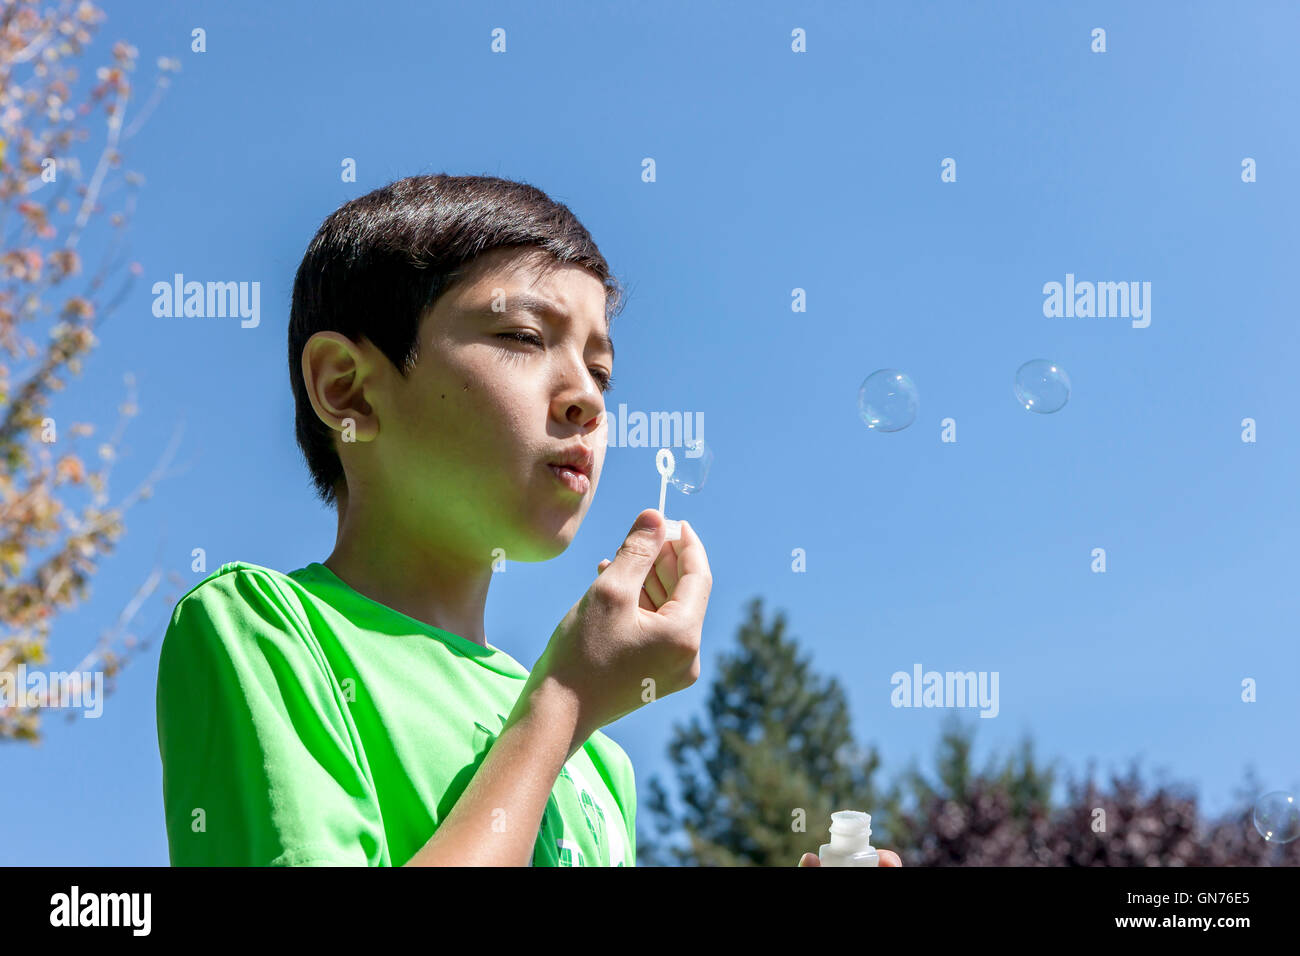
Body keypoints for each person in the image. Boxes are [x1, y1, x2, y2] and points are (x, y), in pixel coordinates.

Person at [155, 172, 899, 867]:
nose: (588, 398)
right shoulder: (265, 629)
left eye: (602, 371)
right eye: (523, 338)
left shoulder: (603, 769)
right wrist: (565, 702)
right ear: (348, 390)